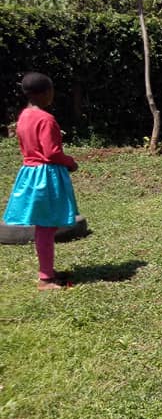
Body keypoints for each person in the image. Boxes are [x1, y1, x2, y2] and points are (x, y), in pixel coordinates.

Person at [3, 73, 79, 290]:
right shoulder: (46, 119)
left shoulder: (24, 116)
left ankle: (48, 269)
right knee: (46, 226)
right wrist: (70, 162)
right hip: (46, 175)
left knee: (44, 225)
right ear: (46, 92)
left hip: (29, 172)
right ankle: (46, 278)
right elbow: (52, 152)